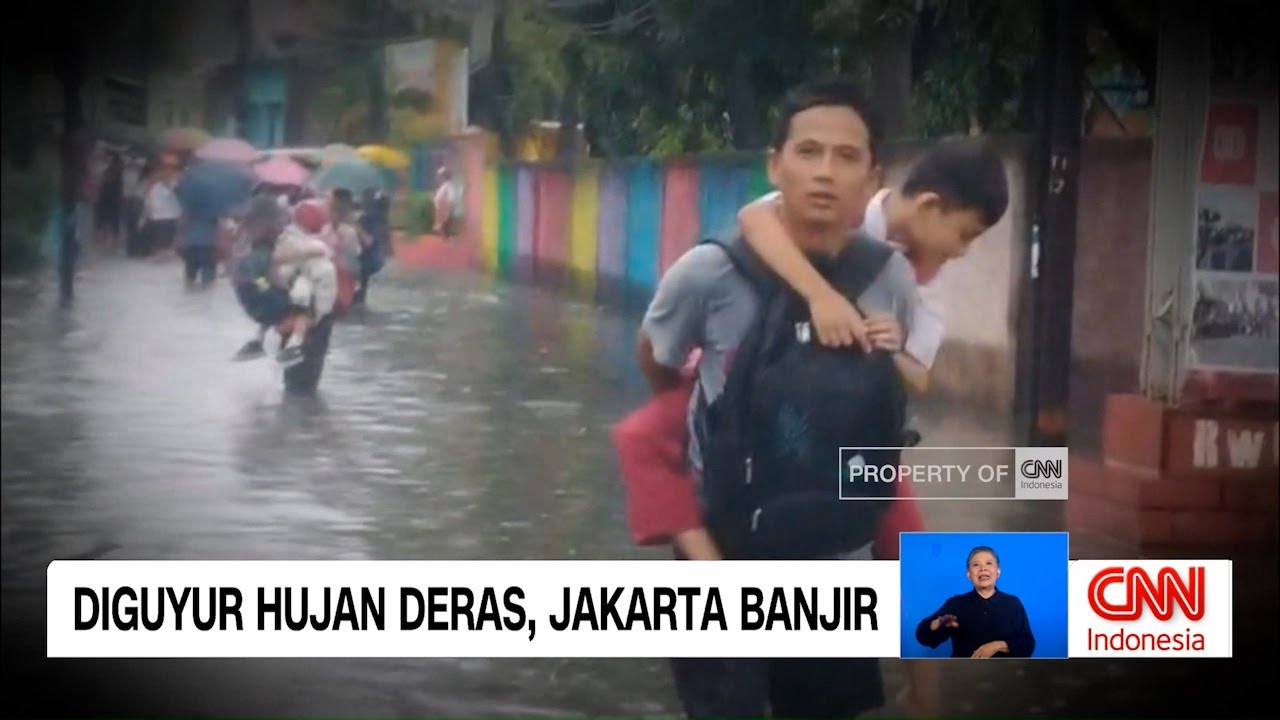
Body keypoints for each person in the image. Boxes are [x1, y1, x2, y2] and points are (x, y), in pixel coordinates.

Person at [637, 76, 918, 719]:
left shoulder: (888, 276)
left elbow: (889, 414)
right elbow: (656, 358)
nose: (825, 173)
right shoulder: (709, 273)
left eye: (847, 157)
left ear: (873, 173)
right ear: (775, 164)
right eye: (808, 151)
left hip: (836, 560)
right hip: (721, 552)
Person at [737, 136, 1010, 395]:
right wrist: (822, 296)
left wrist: (887, 350)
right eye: (965, 235)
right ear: (929, 206)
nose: (962, 251)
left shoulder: (925, 287)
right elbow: (755, 217)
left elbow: (920, 378)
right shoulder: (846, 206)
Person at [235, 199, 339, 365]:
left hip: (251, 294)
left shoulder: (256, 242)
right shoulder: (309, 246)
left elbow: (265, 271)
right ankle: (292, 347)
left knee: (278, 311)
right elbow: (266, 271)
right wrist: (267, 287)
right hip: (273, 293)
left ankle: (259, 341)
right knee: (300, 312)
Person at [914, 546, 1036, 659]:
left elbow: (1027, 644)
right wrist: (938, 623)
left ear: (998, 572)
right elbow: (922, 637)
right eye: (976, 565)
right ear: (969, 575)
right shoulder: (956, 604)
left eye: (989, 563)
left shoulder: (1012, 603)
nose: (983, 568)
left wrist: (996, 645)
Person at [140, 156, 182, 260]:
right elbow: (149, 195)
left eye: (169, 168)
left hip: (168, 214)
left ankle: (164, 253)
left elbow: (177, 193)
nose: (164, 170)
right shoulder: (155, 181)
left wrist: (167, 183)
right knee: (156, 233)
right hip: (155, 212)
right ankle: (159, 253)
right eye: (162, 167)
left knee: (165, 234)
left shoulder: (175, 180)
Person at [433, 165, 461, 241]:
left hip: (445, 206)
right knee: (441, 224)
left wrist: (446, 207)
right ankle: (446, 237)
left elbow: (451, 198)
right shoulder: (443, 185)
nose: (439, 178)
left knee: (444, 223)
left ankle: (448, 237)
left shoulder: (449, 185)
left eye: (441, 176)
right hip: (441, 207)